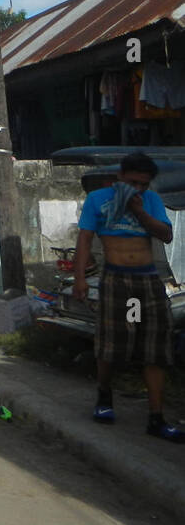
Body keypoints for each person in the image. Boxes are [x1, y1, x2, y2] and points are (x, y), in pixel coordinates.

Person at [73, 152, 183, 440]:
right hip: (115, 277)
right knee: (110, 343)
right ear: (119, 177)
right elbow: (84, 239)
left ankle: (156, 418)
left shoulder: (152, 201)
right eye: (132, 182)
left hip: (147, 278)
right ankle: (104, 395)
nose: (137, 189)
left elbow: (166, 235)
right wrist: (80, 278)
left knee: (155, 348)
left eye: (143, 185)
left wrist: (140, 211)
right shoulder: (98, 199)